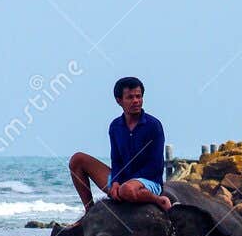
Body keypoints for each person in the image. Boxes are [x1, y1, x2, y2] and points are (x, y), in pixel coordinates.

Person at [68, 76, 173, 215]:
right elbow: (116, 160)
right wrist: (116, 181)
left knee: (127, 190)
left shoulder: (154, 125)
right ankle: (88, 212)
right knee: (77, 159)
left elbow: (155, 166)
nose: (136, 101)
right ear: (119, 101)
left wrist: (130, 182)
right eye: (130, 97)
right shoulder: (115, 126)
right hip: (122, 178)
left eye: (139, 96)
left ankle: (159, 200)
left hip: (148, 181)